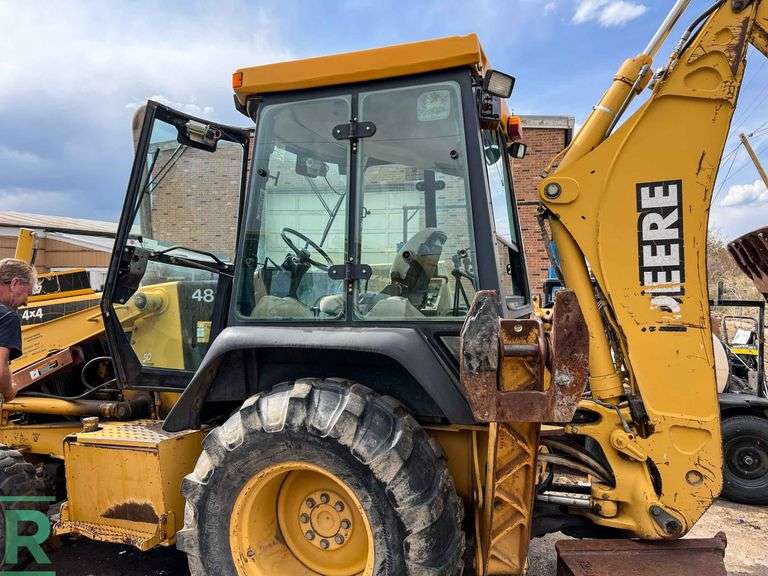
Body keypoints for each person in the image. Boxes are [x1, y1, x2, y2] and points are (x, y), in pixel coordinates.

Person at [0, 258, 37, 402]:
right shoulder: (8, 317)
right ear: (15, 283)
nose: (26, 302)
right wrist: (10, 392)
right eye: (27, 293)